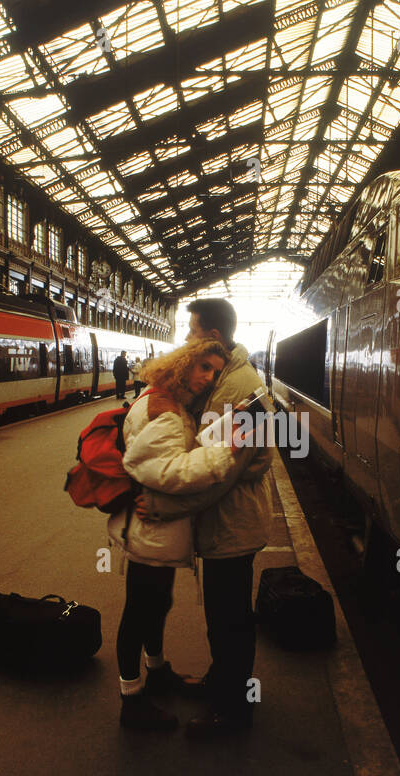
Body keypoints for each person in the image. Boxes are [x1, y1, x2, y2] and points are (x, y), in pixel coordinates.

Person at [134, 298, 273, 738]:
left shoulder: (239, 391)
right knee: (224, 615)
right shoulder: (228, 380)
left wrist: (162, 508)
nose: (187, 340)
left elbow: (222, 475)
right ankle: (222, 684)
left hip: (232, 524)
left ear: (212, 336)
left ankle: (231, 714)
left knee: (229, 620)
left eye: (192, 332)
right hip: (225, 523)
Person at [108, 339, 256, 731]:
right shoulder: (166, 412)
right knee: (140, 610)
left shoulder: (159, 400)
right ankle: (132, 700)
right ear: (183, 365)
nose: (208, 379)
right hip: (150, 530)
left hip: (158, 530)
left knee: (155, 603)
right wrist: (227, 450)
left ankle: (155, 671)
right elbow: (171, 471)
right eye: (203, 368)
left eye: (214, 371)